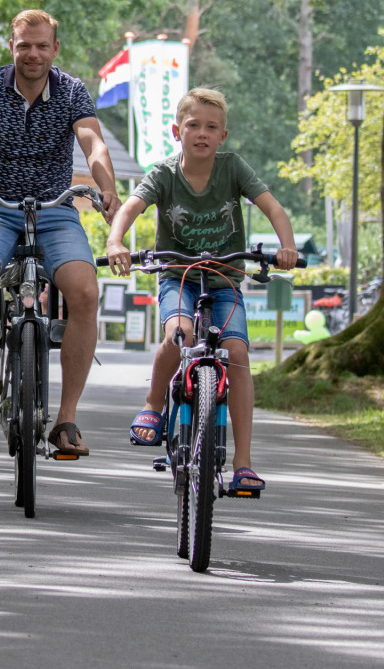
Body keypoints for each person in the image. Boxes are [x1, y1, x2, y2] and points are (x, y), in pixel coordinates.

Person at [105, 87, 298, 494]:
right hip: (178, 277)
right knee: (180, 333)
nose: (202, 133)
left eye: (212, 127)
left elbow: (273, 207)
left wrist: (287, 247)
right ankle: (154, 404)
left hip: (225, 281)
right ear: (178, 131)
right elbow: (131, 207)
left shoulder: (233, 168)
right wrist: (115, 241)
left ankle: (243, 462)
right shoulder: (164, 173)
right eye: (193, 125)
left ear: (223, 136)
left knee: (238, 353)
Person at [0, 9, 119, 458]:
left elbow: (93, 142)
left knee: (85, 293)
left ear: (55, 49)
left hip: (56, 209)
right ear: (12, 47)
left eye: (42, 46)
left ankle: (66, 418)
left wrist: (106, 188)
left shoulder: (72, 90)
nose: (33, 54)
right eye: (24, 45)